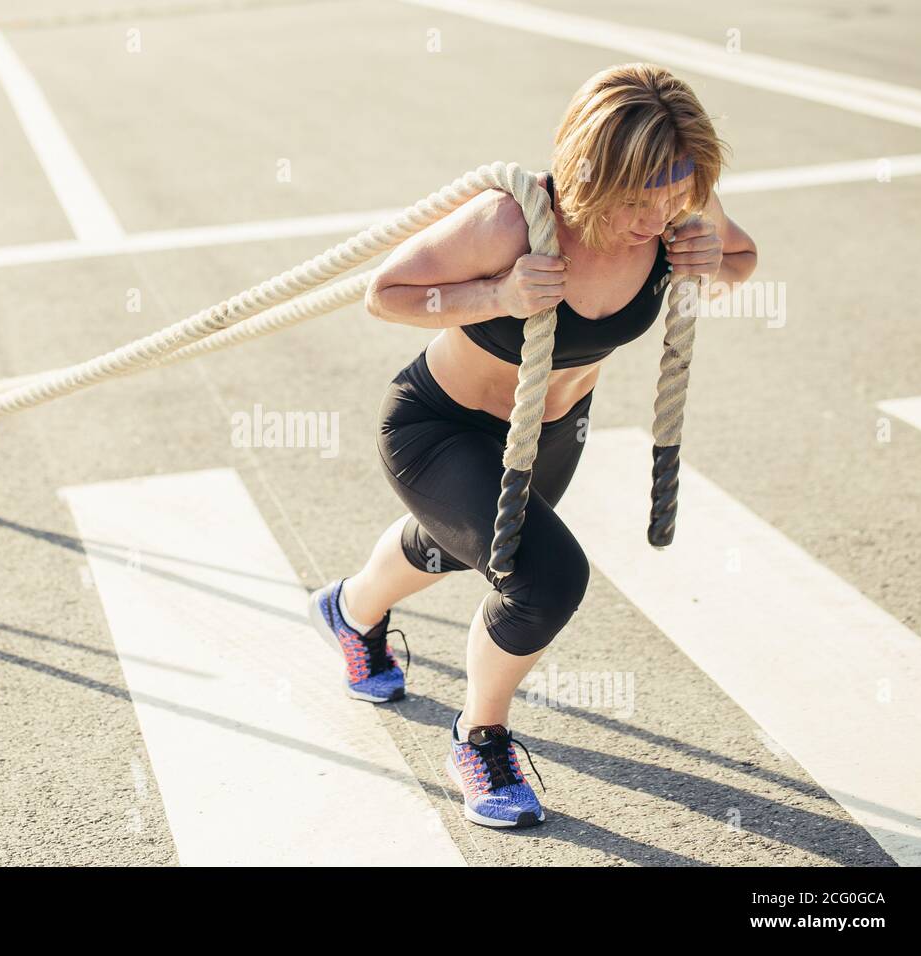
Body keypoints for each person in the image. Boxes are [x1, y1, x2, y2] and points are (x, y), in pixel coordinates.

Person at [307, 62, 757, 828]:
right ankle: (479, 740)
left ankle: (351, 611)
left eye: (673, 192)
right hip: (438, 426)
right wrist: (498, 296)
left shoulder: (681, 199)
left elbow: (742, 259)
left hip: (551, 434)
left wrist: (715, 263)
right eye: (638, 195)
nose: (658, 214)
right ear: (594, 169)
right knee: (543, 581)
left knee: (456, 547)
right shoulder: (511, 220)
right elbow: (386, 293)